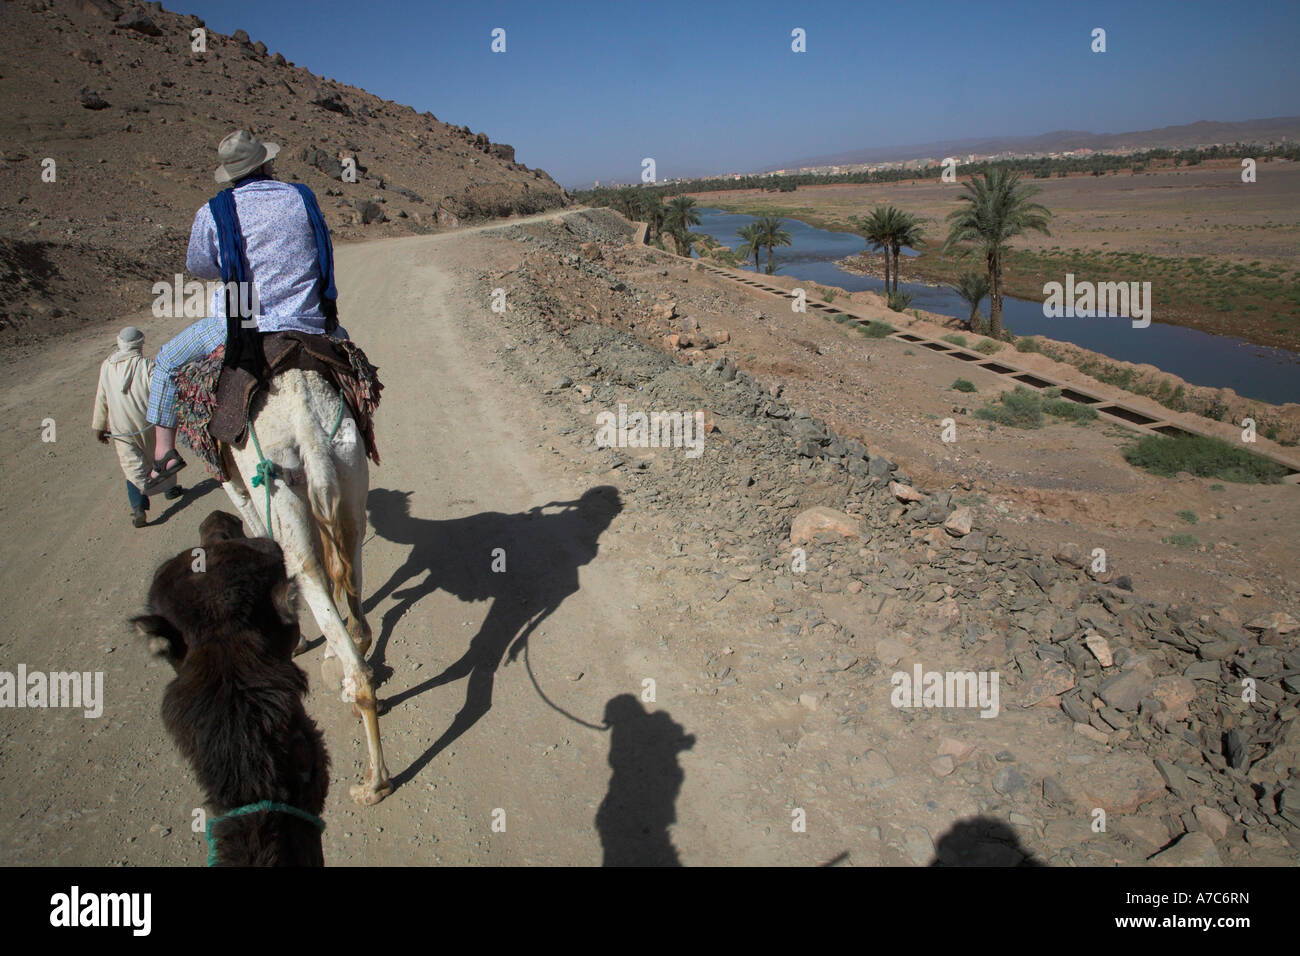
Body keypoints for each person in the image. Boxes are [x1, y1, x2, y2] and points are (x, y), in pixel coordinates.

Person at [143, 129, 348, 493]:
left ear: (231, 174)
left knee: (165, 363)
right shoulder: (301, 197)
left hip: (242, 320)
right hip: (307, 319)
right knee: (351, 364)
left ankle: (164, 455)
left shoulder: (214, 212)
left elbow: (200, 266)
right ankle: (359, 430)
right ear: (267, 163)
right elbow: (319, 246)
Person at [92, 326, 184, 527]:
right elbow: (161, 393)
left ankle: (138, 508)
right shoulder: (147, 367)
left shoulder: (107, 366)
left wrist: (99, 426)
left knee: (132, 467)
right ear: (140, 344)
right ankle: (170, 490)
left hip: (122, 429)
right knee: (159, 459)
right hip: (148, 424)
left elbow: (102, 397)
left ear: (120, 342)